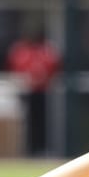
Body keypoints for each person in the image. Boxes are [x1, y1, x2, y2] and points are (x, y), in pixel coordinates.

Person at [6, 27, 60, 157]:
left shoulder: (47, 49)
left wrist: (43, 79)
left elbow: (54, 67)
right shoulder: (20, 50)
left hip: (43, 92)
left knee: (43, 122)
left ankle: (42, 148)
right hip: (25, 92)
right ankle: (28, 150)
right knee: (26, 123)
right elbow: (13, 67)